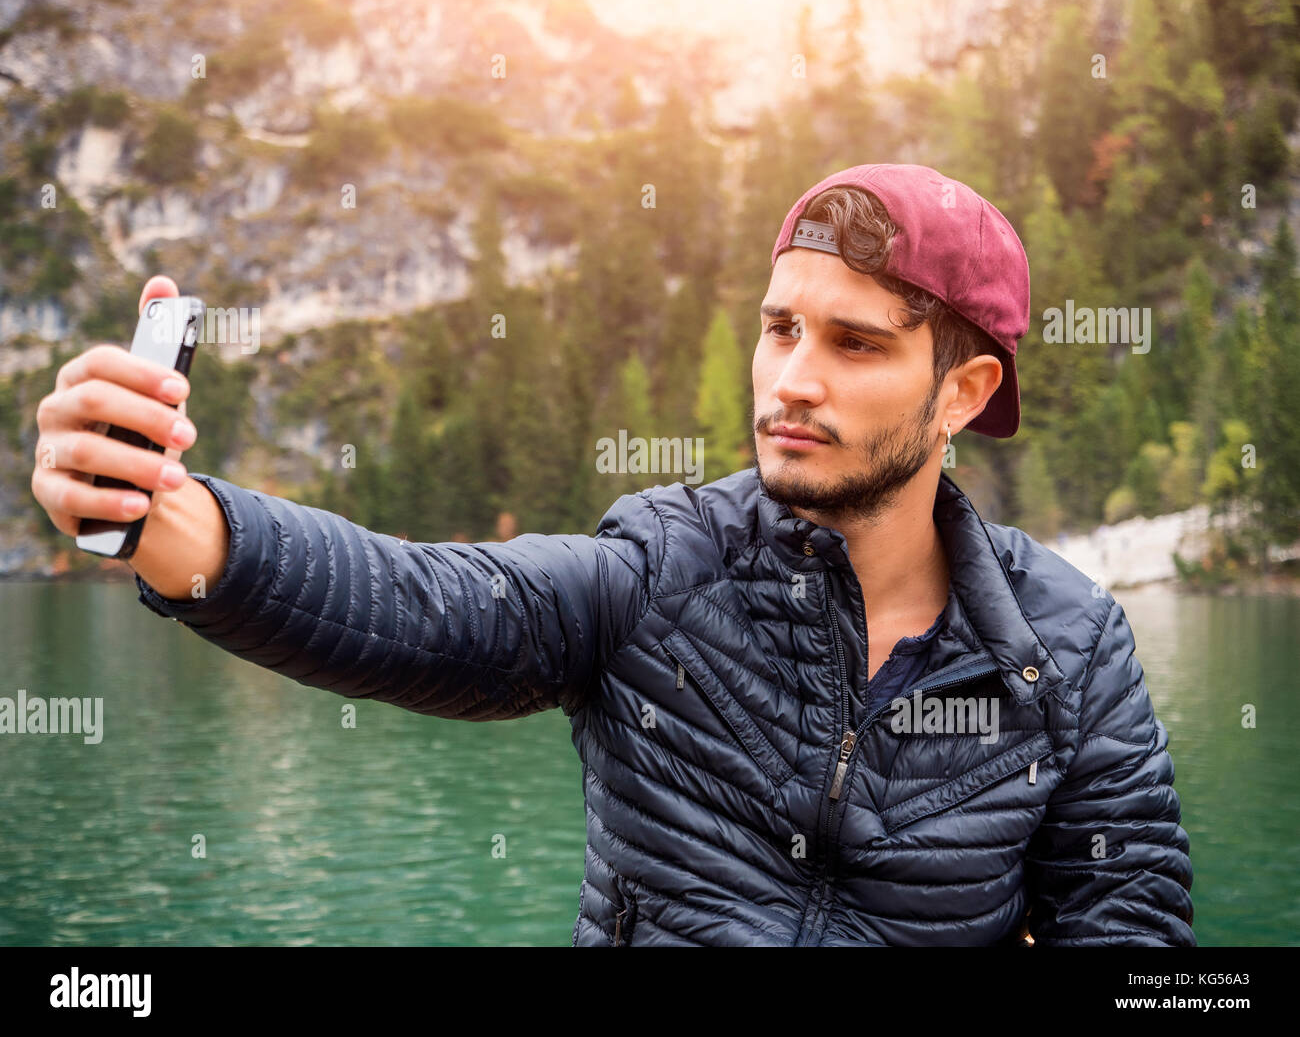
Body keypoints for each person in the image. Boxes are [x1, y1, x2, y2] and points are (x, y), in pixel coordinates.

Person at [30, 163, 1194, 946]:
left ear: (963, 390)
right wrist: (168, 522)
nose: (792, 377)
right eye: (779, 328)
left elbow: (1136, 936)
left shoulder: (1070, 651)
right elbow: (427, 605)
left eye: (854, 343)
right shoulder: (660, 569)